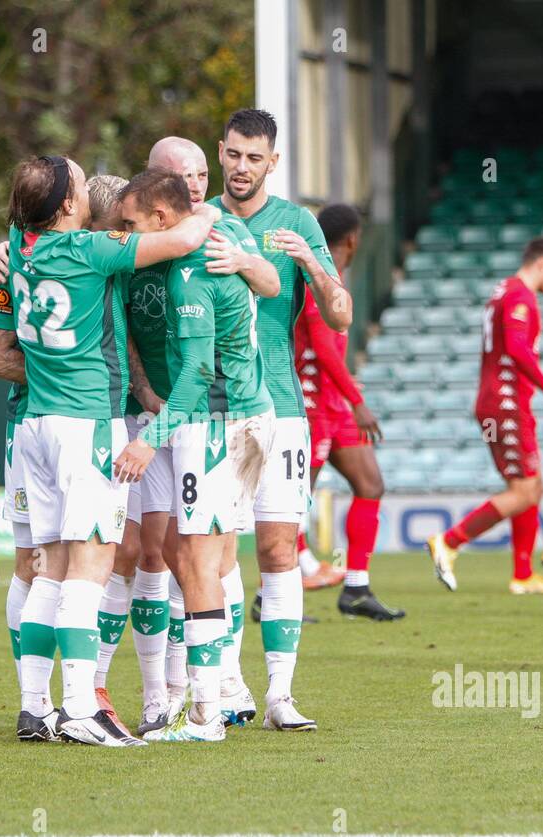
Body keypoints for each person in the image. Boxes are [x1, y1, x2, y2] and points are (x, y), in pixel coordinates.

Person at [0, 154, 222, 746]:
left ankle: (35, 708)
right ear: (70, 206)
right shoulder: (87, 252)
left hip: (36, 428)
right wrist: (202, 211)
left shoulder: (20, 252)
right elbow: (184, 236)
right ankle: (79, 708)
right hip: (85, 425)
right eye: (77, 180)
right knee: (89, 572)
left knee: (49, 571)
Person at [113, 169, 275, 742]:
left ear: (162, 219)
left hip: (218, 424)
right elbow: (272, 285)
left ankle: (206, 713)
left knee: (195, 564)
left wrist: (148, 438)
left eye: (132, 224)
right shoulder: (226, 235)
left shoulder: (188, 277)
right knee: (212, 556)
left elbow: (197, 373)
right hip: (255, 414)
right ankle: (222, 690)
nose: (127, 235)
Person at [210, 108, 352, 732]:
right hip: (211, 409)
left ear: (274, 162)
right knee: (216, 553)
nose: (242, 168)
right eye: (234, 155)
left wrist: (315, 266)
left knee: (278, 547)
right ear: (221, 153)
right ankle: (231, 685)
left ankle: (280, 695)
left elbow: (341, 316)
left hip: (283, 411)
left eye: (254, 157)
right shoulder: (198, 217)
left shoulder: (297, 223)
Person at [426, 238, 543, 595]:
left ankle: (522, 576)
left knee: (532, 486)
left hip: (504, 400)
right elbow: (518, 349)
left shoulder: (502, 290)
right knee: (523, 490)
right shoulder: (520, 295)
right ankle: (449, 541)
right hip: (504, 402)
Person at [293, 203, 403, 620]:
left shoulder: (329, 277)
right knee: (292, 501)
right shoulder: (319, 278)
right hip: (311, 403)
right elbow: (322, 349)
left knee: (370, 483)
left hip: (332, 405)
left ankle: (355, 588)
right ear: (354, 240)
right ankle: (272, 595)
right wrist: (360, 403)